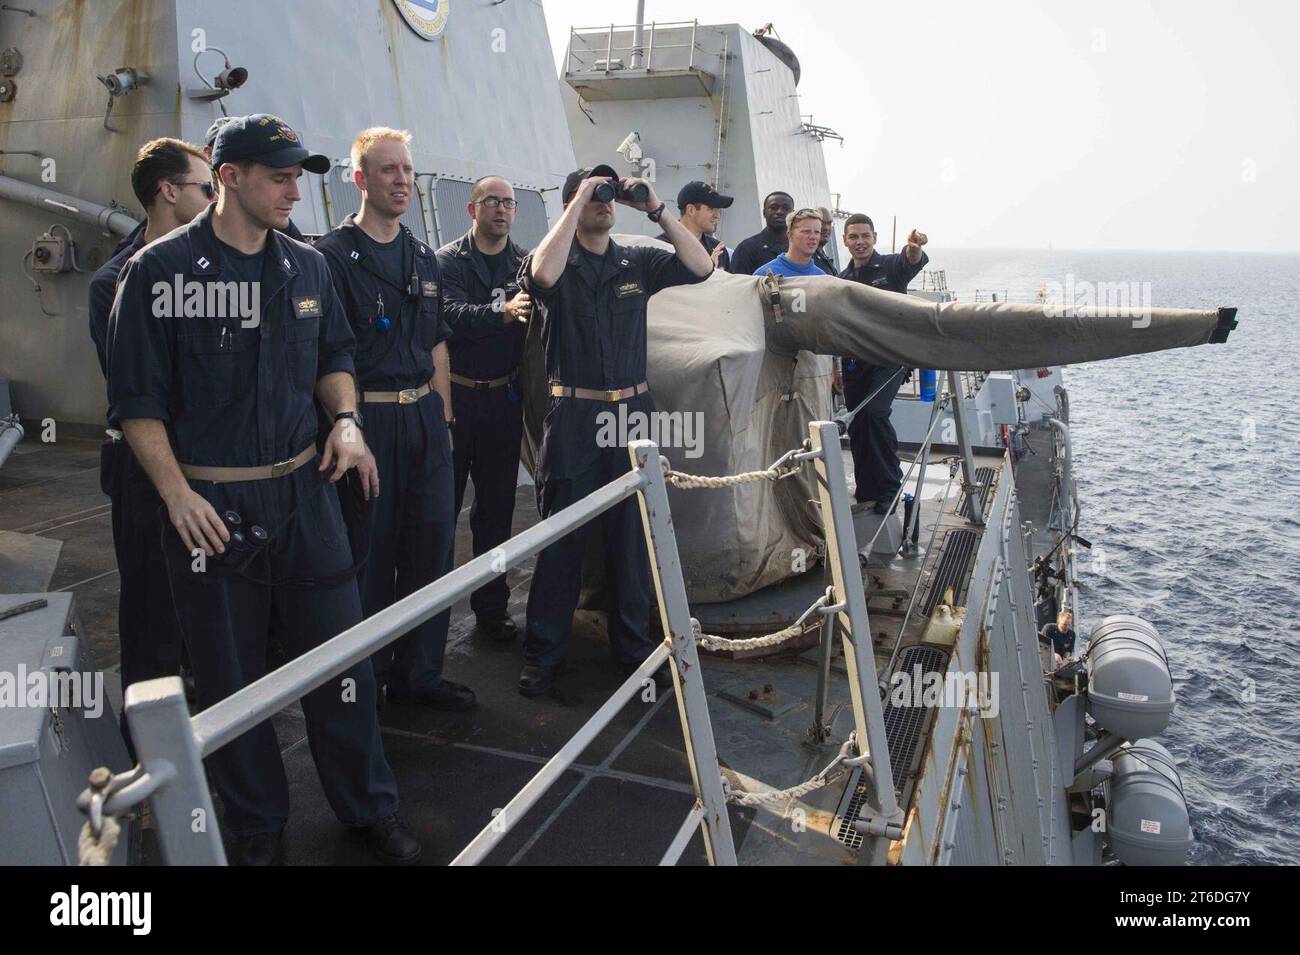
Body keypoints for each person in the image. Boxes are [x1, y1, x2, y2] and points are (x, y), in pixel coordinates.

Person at [107, 114, 419, 866]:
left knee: (340, 663)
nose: (293, 190)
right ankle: (255, 827)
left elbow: (334, 354)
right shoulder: (158, 274)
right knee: (230, 677)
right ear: (228, 178)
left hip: (306, 499)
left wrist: (346, 420)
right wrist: (177, 495)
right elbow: (136, 404)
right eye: (278, 176)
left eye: (299, 175)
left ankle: (367, 806)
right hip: (213, 507)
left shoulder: (306, 267)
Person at [517, 163, 713, 697]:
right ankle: (543, 656)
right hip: (576, 417)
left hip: (631, 416)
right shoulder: (555, 258)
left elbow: (700, 268)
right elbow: (541, 278)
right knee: (561, 539)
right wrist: (578, 202)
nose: (605, 202)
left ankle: (632, 652)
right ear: (571, 205)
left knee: (632, 540)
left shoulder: (638, 259)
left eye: (608, 196)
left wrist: (654, 208)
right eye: (595, 195)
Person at [315, 127, 475, 712]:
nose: (402, 180)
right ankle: (367, 677)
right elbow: (325, 356)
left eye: (407, 170)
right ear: (359, 179)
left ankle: (420, 674)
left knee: (432, 549)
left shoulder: (422, 257)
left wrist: (446, 421)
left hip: (425, 421)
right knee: (371, 554)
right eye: (388, 170)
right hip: (369, 423)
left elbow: (435, 346)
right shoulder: (329, 260)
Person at [88, 138, 212, 752]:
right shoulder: (116, 284)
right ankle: (147, 753)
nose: (217, 200)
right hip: (150, 477)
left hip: (213, 470)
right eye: (206, 189)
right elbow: (142, 396)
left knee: (209, 615)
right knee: (151, 615)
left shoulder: (213, 267)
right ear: (169, 192)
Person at [435, 176, 531, 642]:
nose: (502, 209)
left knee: (496, 512)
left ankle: (491, 607)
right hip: (455, 401)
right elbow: (448, 316)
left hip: (503, 400)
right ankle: (427, 617)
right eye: (492, 201)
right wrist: (502, 314)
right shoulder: (447, 263)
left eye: (509, 203)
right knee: (441, 511)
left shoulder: (524, 264)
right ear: (473, 210)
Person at [839, 214, 929, 511]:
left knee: (875, 414)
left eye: (865, 236)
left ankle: (890, 489)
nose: (860, 242)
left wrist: (913, 247)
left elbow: (910, 261)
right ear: (845, 241)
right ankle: (867, 491)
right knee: (858, 424)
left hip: (889, 359)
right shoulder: (842, 280)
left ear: (874, 238)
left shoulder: (891, 266)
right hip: (855, 362)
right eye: (854, 237)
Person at [654, 180, 733, 271]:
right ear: (691, 210)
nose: (717, 216)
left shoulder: (718, 250)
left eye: (718, 209)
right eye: (711, 208)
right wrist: (708, 271)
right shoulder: (661, 247)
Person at [751, 208, 835, 277]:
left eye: (817, 232)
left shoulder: (821, 277)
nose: (813, 237)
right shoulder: (764, 275)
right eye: (806, 231)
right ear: (790, 234)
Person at [727, 190, 793, 275]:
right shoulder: (746, 249)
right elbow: (738, 285)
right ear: (764, 213)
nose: (779, 212)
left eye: (785, 208)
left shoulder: (801, 248)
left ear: (793, 214)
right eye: (773, 207)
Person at [812, 206, 837, 275]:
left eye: (829, 223)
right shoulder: (807, 257)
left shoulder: (822, 255)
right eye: (822, 223)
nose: (826, 228)